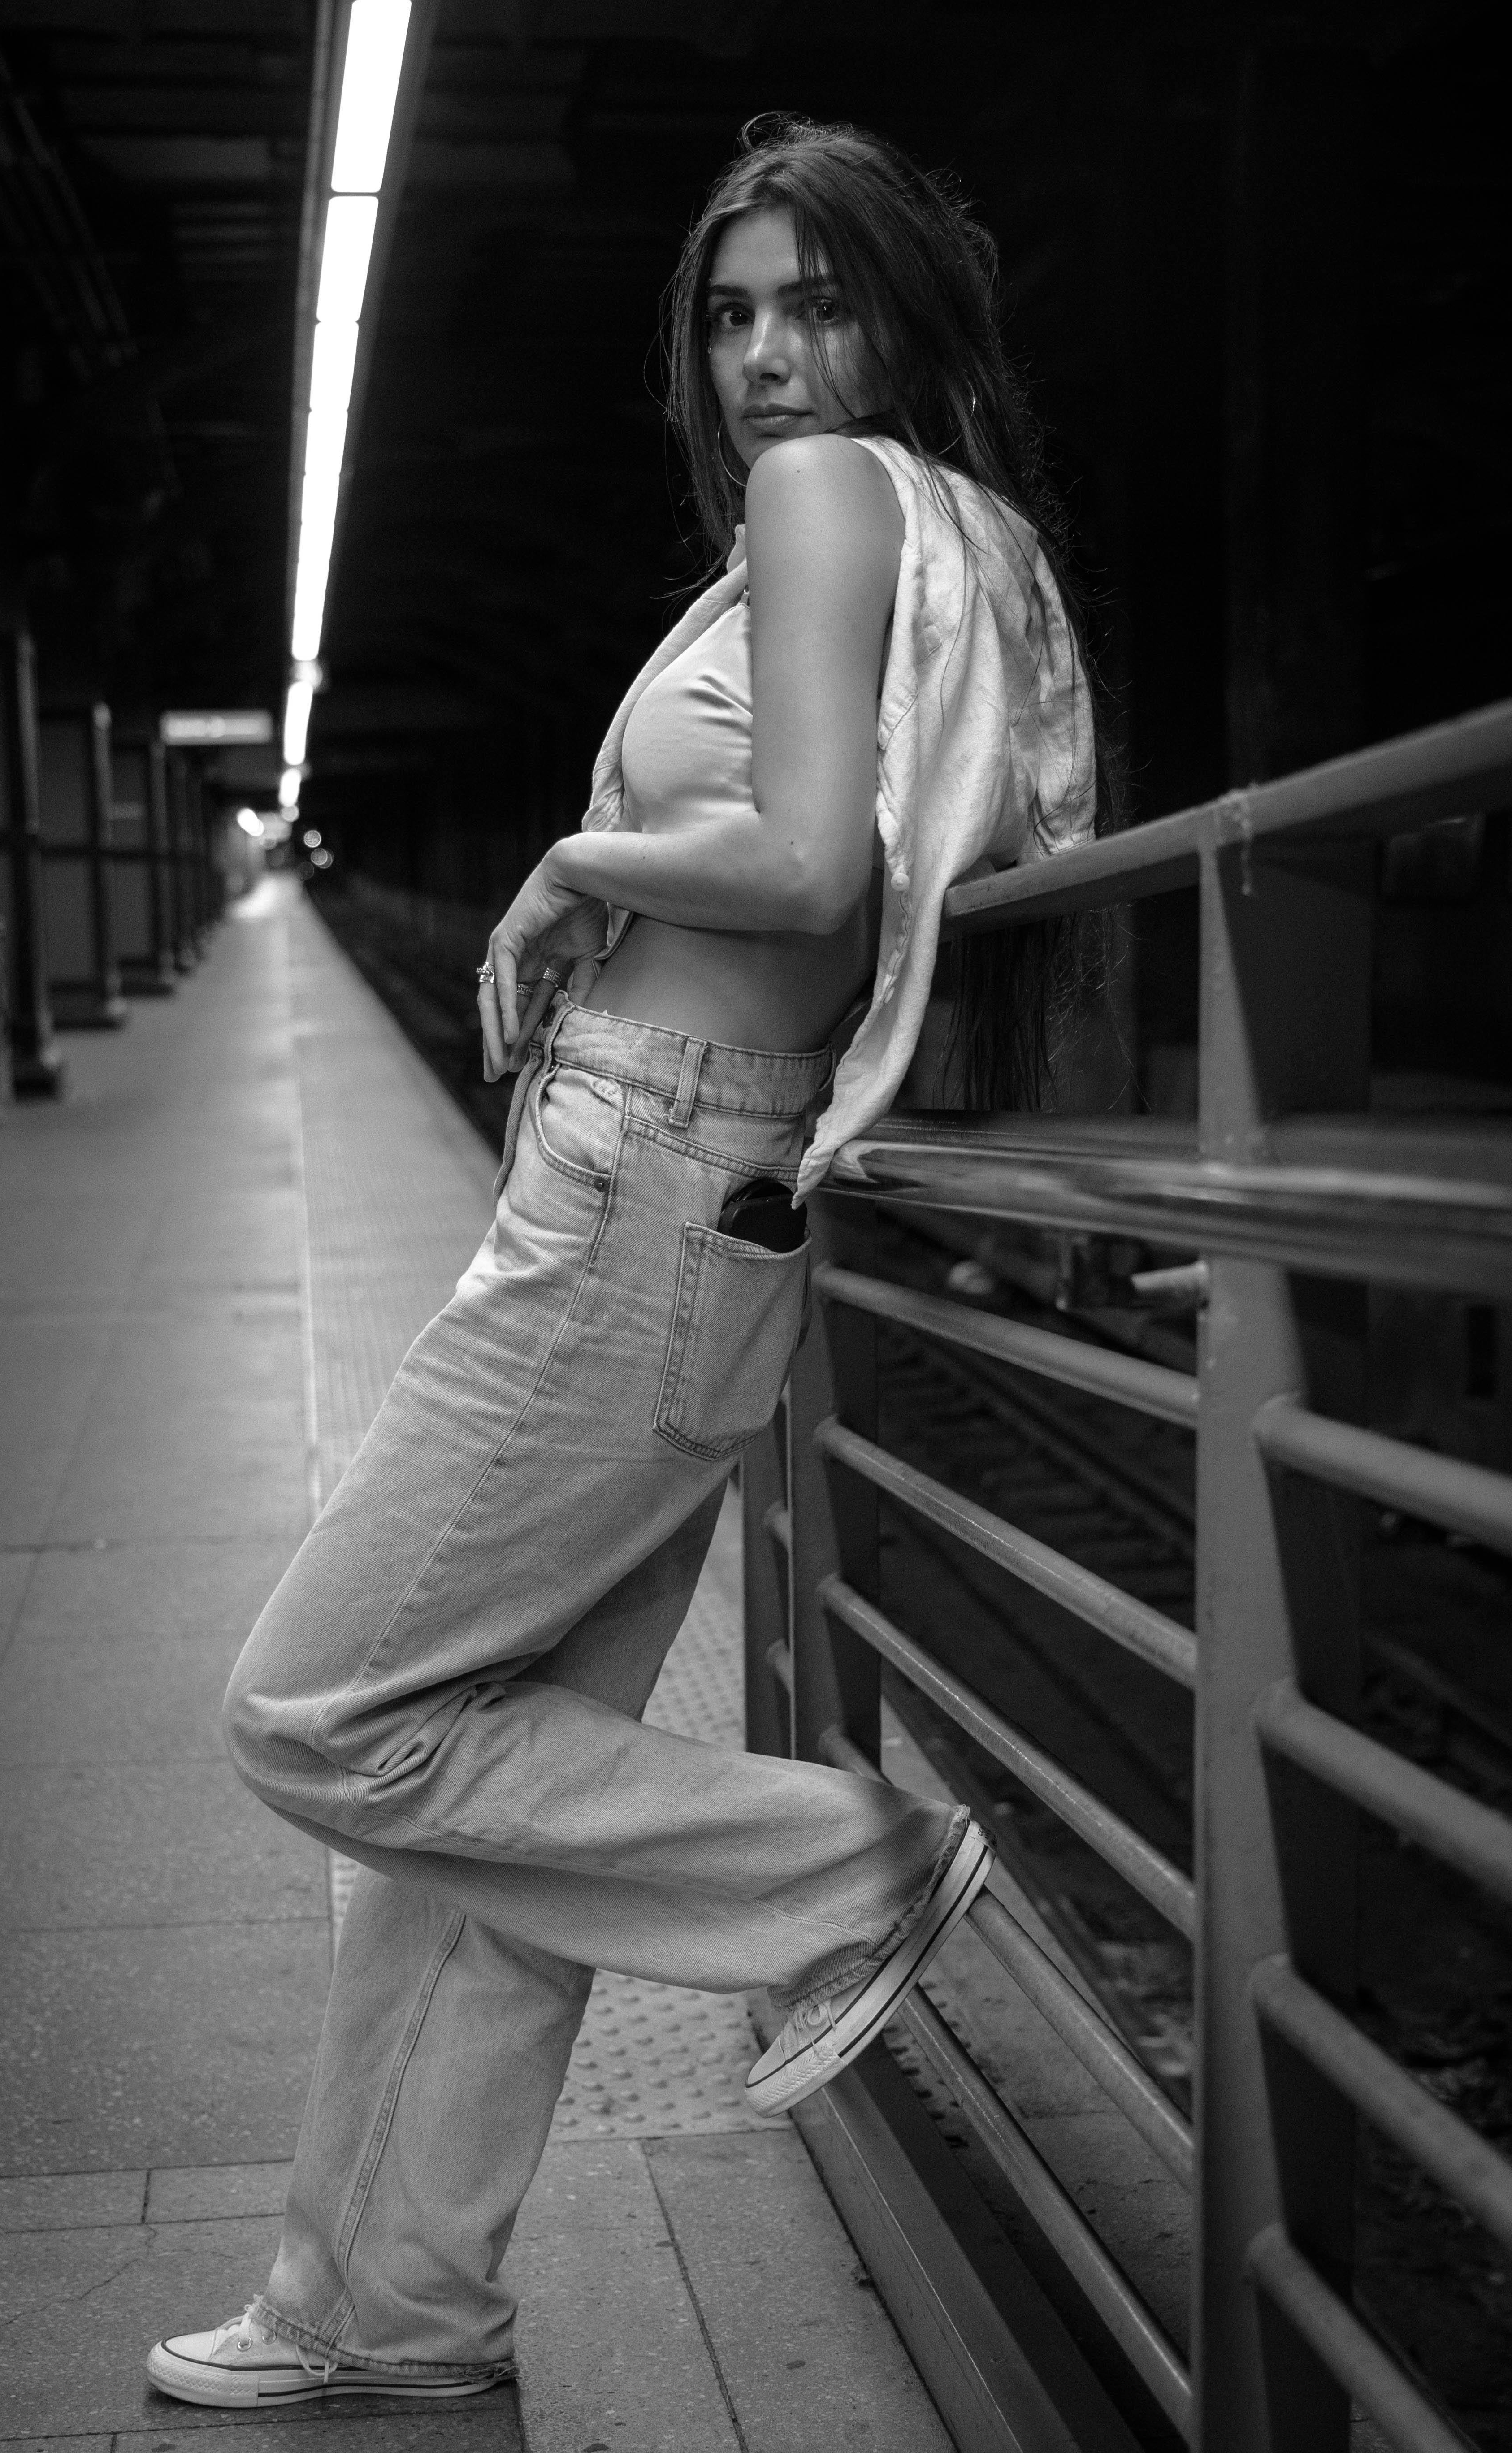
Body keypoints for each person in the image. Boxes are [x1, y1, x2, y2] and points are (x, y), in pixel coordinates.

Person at [147, 113, 1100, 2412]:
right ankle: (387, 2303)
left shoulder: (822, 503)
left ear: (906, 313)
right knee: (482, 1792)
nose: (771, 356)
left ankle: (845, 1868)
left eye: (819, 300)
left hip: (644, 1187)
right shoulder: (954, 537)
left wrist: (571, 860)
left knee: (319, 1711)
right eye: (734, 311)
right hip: (702, 1203)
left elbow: (797, 865)